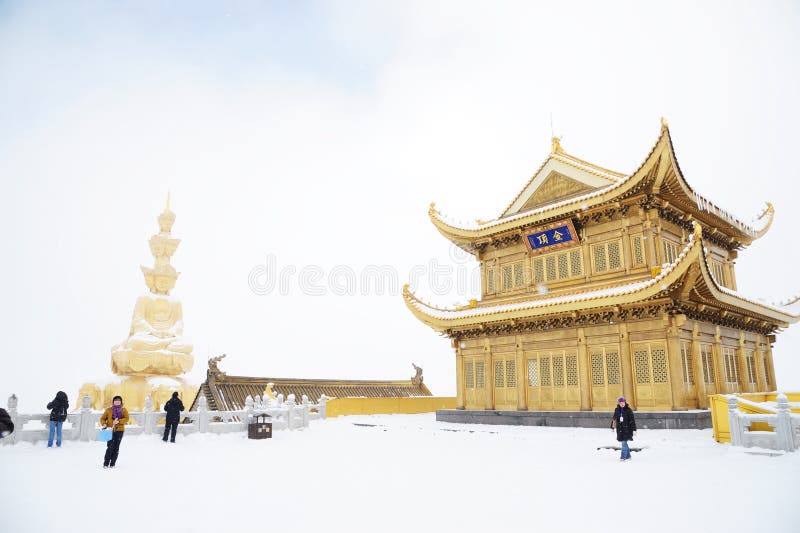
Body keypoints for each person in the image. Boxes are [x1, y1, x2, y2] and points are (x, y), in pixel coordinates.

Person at [99, 395, 129, 468]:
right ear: (113, 402)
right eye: (116, 401)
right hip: (110, 430)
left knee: (116, 447)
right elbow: (102, 418)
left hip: (119, 431)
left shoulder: (124, 410)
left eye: (119, 401)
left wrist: (118, 421)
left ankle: (112, 464)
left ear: (121, 402)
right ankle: (106, 463)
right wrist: (104, 424)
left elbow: (127, 419)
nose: (117, 402)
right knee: (110, 447)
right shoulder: (108, 410)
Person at [611, 396, 636, 461]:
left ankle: (623, 457)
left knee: (624, 443)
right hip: (620, 429)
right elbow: (614, 419)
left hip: (627, 429)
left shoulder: (628, 410)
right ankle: (628, 456)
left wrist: (634, 429)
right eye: (620, 402)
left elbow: (632, 420)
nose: (622, 404)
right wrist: (612, 427)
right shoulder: (617, 410)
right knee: (624, 443)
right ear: (619, 403)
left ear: (625, 402)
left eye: (623, 402)